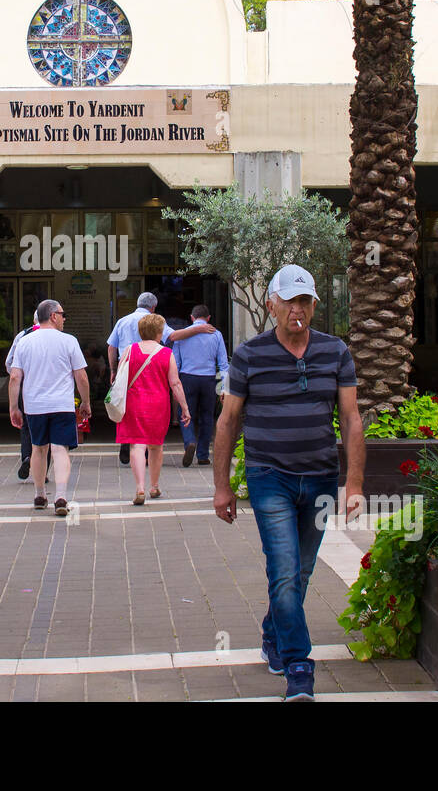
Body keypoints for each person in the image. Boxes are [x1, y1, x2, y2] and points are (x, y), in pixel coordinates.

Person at [210, 264, 365, 702]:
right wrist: (222, 487)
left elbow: (352, 420)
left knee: (300, 572)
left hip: (319, 479)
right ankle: (300, 669)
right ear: (271, 304)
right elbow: (228, 421)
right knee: (283, 571)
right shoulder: (249, 356)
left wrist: (354, 484)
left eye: (305, 301)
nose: (297, 309)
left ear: (314, 305)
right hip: (269, 477)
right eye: (289, 301)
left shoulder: (335, 352)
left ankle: (272, 633)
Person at [107, 292, 214, 465]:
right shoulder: (155, 322)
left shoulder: (122, 321)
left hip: (125, 367)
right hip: (149, 366)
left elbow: (111, 347)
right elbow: (173, 336)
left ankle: (127, 444)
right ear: (153, 307)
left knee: (126, 404)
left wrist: (113, 370)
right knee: (147, 406)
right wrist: (198, 328)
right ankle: (148, 450)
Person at [8, 299, 91, 517]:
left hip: (34, 406)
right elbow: (81, 376)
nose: (64, 319)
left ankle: (39, 494)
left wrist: (14, 407)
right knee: (60, 449)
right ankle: (61, 496)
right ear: (53, 316)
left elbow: (15, 376)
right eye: (63, 315)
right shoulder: (69, 341)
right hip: (62, 405)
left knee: (38, 448)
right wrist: (86, 402)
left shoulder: (24, 342)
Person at [116, 313, 191, 505]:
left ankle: (139, 487)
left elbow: (120, 377)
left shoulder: (129, 350)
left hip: (133, 403)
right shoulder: (166, 353)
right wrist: (184, 407)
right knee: (156, 446)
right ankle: (154, 486)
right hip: (158, 404)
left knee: (137, 445)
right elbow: (175, 383)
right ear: (159, 332)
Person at [172, 304, 229, 468]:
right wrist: (224, 387)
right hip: (208, 379)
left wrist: (174, 381)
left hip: (187, 378)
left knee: (185, 412)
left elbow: (175, 362)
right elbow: (224, 364)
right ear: (208, 318)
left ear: (192, 317)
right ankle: (203, 454)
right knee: (207, 416)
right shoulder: (216, 334)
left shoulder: (183, 335)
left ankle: (189, 442)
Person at [5, 309, 41, 480]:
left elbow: (9, 363)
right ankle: (42, 471)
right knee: (45, 430)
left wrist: (19, 376)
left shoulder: (22, 336)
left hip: (25, 387)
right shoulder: (59, 337)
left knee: (26, 426)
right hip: (49, 390)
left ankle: (27, 457)